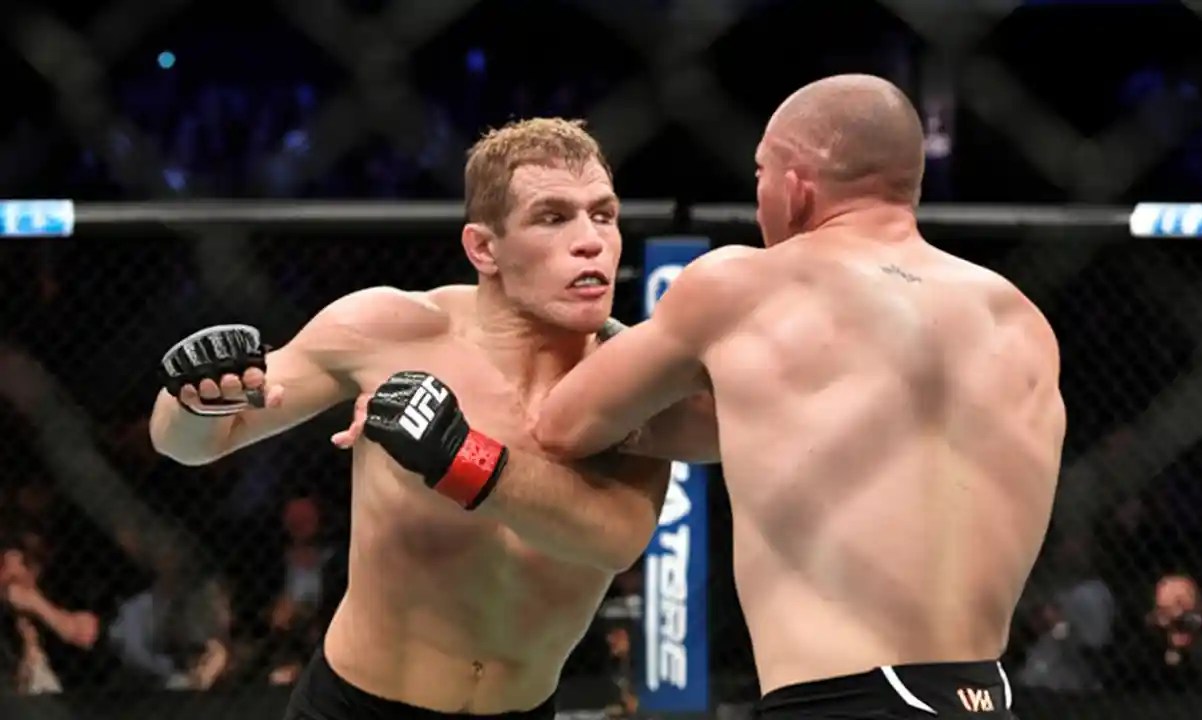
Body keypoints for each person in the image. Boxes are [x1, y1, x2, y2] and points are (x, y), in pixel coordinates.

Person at [533, 74, 1067, 720]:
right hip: (986, 695)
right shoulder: (1019, 321)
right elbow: (804, 437)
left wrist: (620, 354)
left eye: (761, 172)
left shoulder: (745, 285)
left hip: (837, 702)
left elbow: (563, 424)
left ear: (795, 188)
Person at [149, 117, 697, 720]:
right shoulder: (389, 331)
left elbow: (615, 538)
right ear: (484, 248)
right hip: (359, 706)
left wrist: (460, 456)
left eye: (604, 214)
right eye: (553, 216)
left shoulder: (629, 377)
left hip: (522, 708)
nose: (591, 240)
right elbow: (190, 444)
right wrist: (196, 398)